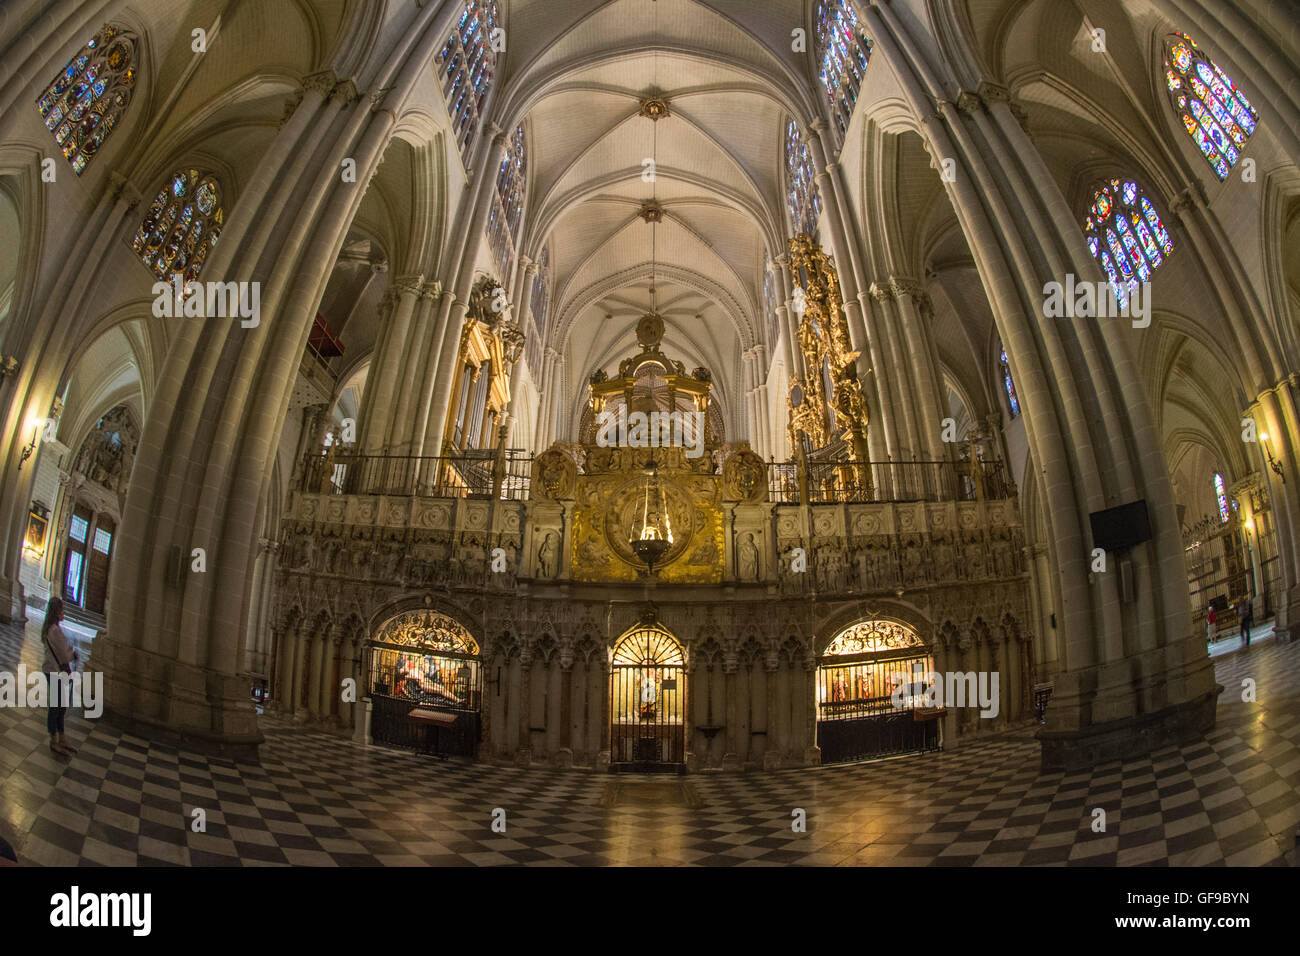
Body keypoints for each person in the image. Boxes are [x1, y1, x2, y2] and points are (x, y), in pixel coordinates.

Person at [41, 596, 77, 755]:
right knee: (56, 707)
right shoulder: (54, 630)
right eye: (62, 609)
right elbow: (63, 652)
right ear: (57, 611)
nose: (64, 612)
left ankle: (62, 737)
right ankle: (54, 739)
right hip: (54, 672)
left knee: (61, 706)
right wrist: (72, 654)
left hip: (54, 671)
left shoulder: (52, 628)